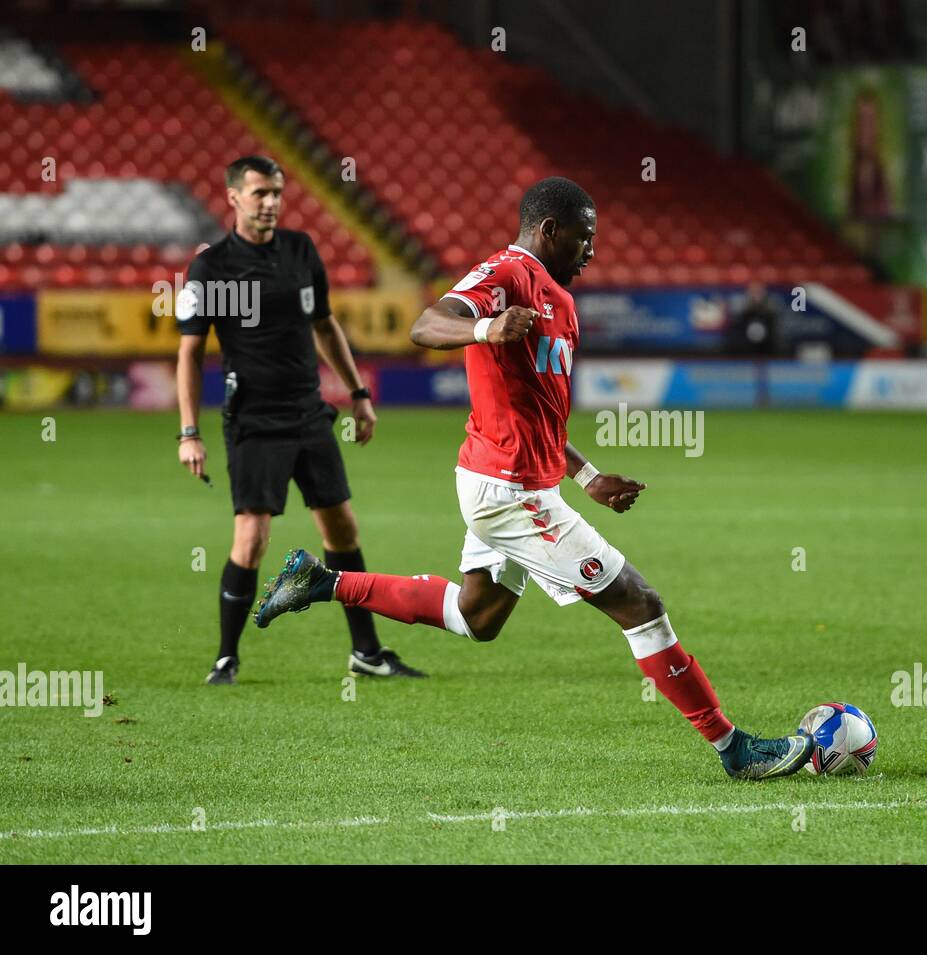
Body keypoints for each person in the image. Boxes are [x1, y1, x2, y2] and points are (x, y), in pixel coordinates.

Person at [253, 177, 813, 779]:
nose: (591, 250)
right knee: (640, 604)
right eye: (584, 238)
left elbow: (540, 411)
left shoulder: (562, 305)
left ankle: (321, 581)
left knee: (477, 616)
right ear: (550, 230)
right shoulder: (506, 272)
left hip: (518, 481)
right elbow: (426, 324)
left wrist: (588, 475)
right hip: (507, 490)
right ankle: (735, 750)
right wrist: (484, 329)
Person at [176, 155, 423, 685]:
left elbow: (325, 324)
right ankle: (226, 657)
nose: (270, 202)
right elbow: (190, 353)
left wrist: (358, 393)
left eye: (277, 193)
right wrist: (189, 432)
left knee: (342, 527)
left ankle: (367, 651)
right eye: (260, 193)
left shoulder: (299, 251)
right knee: (252, 539)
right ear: (234, 198)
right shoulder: (210, 268)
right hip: (254, 419)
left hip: (309, 413)